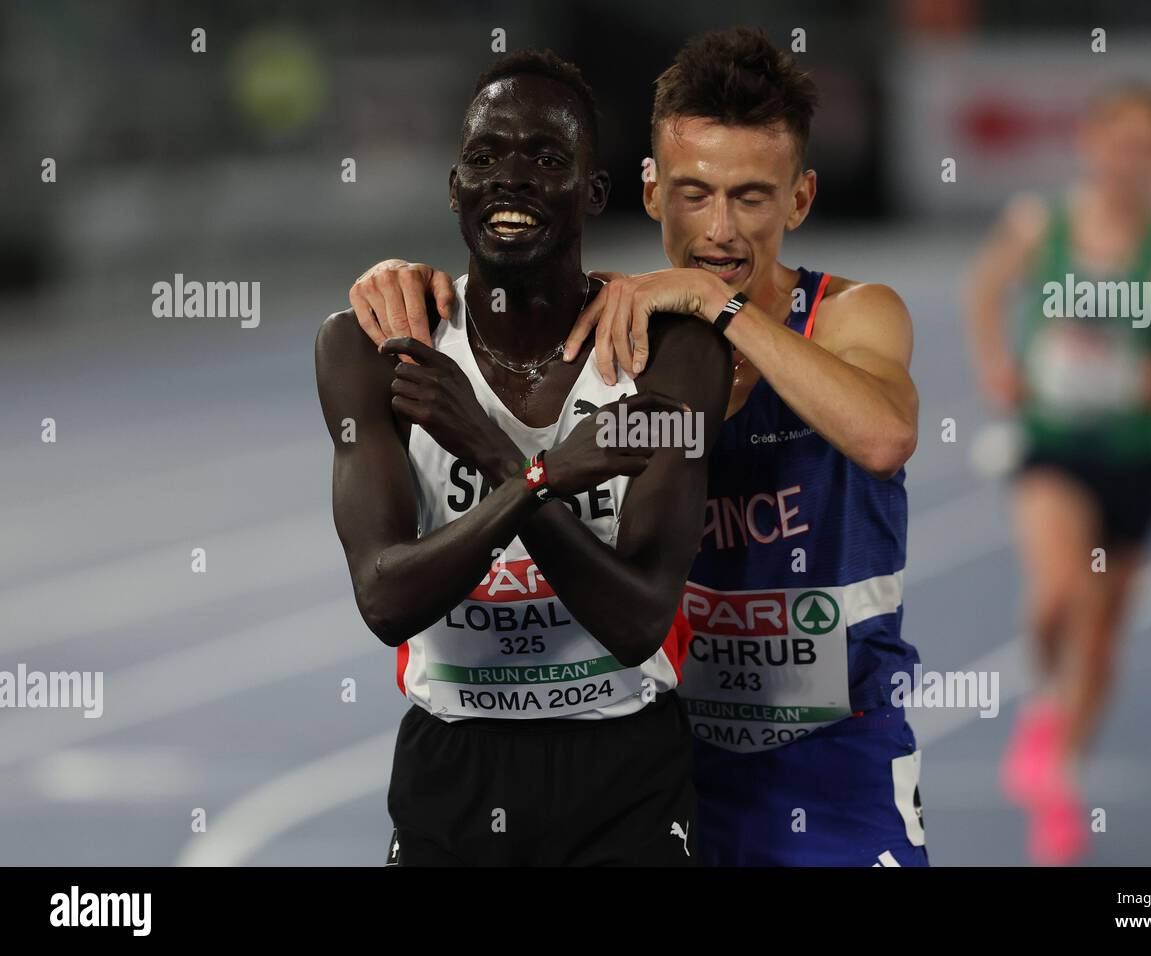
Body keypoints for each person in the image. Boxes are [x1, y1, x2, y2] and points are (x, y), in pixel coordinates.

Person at [348, 28, 926, 867]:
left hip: (833, 767)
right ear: (651, 192)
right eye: (694, 193)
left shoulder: (849, 316)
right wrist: (398, 279)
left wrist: (716, 305)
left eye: (752, 197)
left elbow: (884, 436)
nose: (720, 229)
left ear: (799, 200)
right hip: (672, 759)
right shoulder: (626, 334)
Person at [315, 49, 731, 866]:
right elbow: (385, 598)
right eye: (483, 157)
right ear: (454, 187)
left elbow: (638, 621)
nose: (509, 178)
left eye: (545, 158)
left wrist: (496, 457)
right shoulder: (369, 351)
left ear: (595, 191)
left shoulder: (674, 358)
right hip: (455, 768)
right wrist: (539, 474)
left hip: (623, 771)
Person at [964, 85, 1151, 864]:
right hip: (1054, 444)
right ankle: (1044, 714)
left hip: (1135, 455)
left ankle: (1060, 775)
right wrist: (996, 366)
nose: (1130, 161)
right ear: (1092, 144)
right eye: (1121, 142)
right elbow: (985, 289)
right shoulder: (1042, 226)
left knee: (1104, 639)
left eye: (1149, 147)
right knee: (1058, 596)